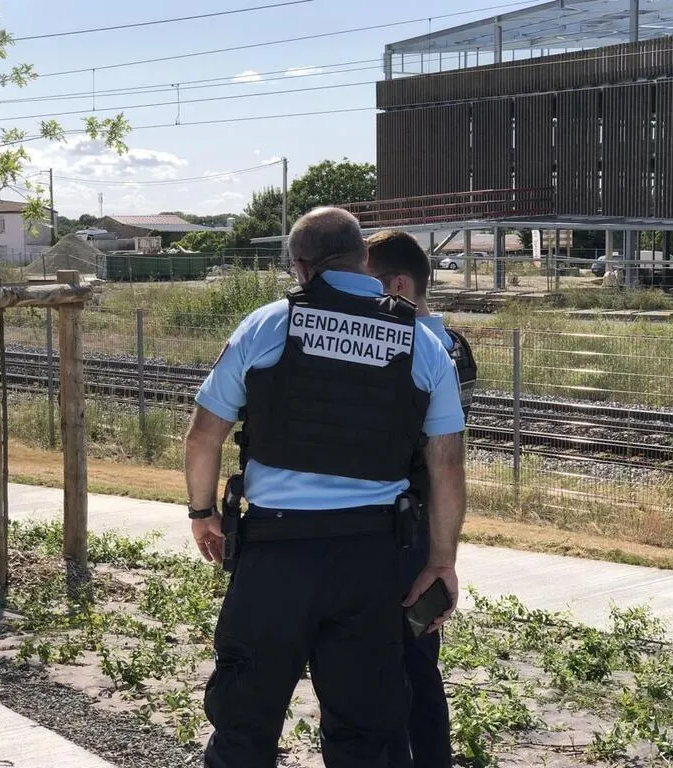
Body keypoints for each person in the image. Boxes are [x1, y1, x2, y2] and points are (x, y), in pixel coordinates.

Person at [184, 207, 467, 768]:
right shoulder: (422, 343)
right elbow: (448, 467)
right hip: (370, 564)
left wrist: (201, 511)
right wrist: (440, 561)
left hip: (273, 560)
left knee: (244, 723)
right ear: (364, 258)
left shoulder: (268, 325)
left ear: (301, 266)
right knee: (364, 735)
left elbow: (202, 437)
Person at [365, 230, 478, 768]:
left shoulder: (403, 347)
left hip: (397, 530)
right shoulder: (455, 346)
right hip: (430, 526)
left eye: (365, 285)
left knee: (389, 667)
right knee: (418, 663)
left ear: (400, 284)